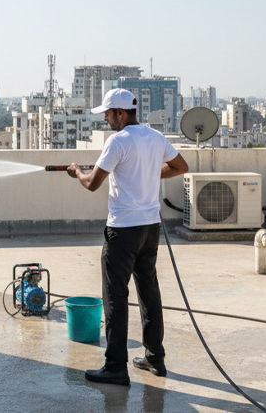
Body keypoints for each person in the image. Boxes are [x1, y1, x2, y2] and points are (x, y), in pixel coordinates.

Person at [67, 88, 189, 386]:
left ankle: (115, 367)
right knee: (149, 291)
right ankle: (155, 358)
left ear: (120, 113)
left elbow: (92, 183)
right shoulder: (155, 137)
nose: (106, 119)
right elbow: (181, 167)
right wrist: (146, 172)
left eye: (108, 113)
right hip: (150, 228)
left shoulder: (117, 141)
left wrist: (77, 171)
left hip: (122, 230)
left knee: (115, 297)